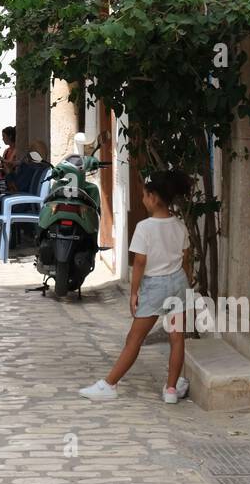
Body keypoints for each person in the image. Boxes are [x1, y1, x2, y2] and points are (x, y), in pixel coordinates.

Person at [79, 171, 194, 404]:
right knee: (177, 338)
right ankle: (171, 390)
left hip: (155, 285)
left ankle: (109, 384)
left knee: (134, 338)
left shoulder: (144, 228)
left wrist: (134, 292)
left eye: (143, 195)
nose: (142, 199)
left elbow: (140, 262)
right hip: (178, 282)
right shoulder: (179, 226)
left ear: (153, 197)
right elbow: (186, 257)